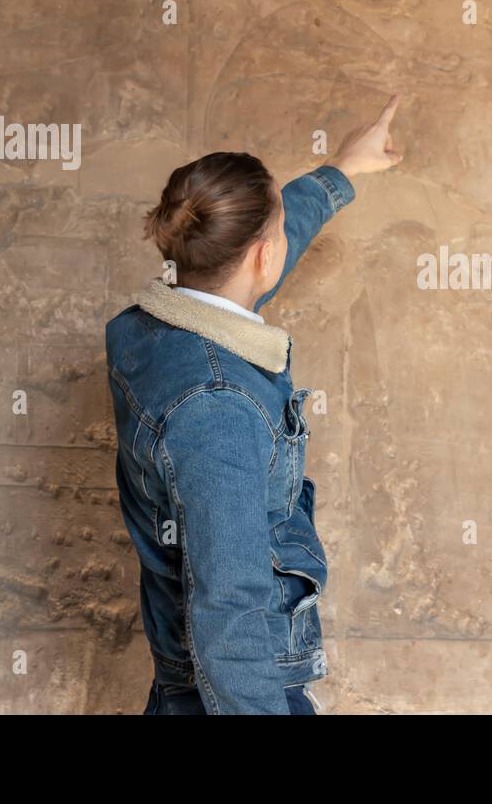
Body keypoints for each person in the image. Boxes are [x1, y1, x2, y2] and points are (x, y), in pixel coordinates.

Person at [105, 96, 403, 714]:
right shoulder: (218, 409)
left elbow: (264, 246)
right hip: (236, 696)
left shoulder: (153, 327)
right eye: (274, 233)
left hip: (189, 686)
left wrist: (342, 170)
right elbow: (229, 610)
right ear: (261, 256)